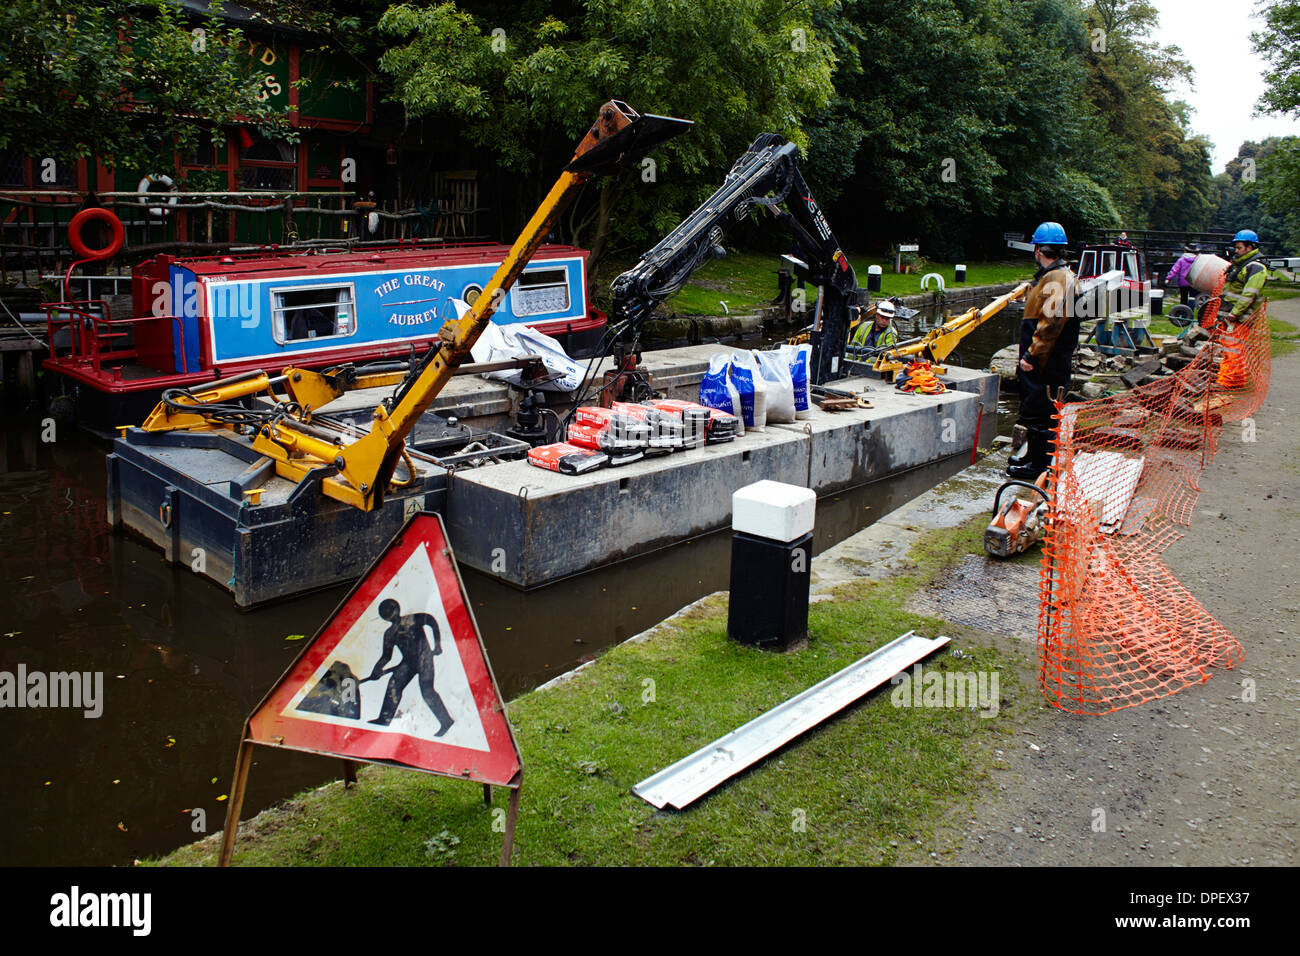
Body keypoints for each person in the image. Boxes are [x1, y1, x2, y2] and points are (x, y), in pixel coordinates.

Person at [1008, 221, 1079, 481]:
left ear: (1039, 250)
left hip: (1046, 362)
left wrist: (1031, 355)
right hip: (1048, 360)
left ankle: (1037, 466)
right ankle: (1032, 457)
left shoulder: (1058, 278)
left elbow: (1051, 323)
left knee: (1041, 411)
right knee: (1033, 408)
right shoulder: (1057, 275)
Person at [363, 598, 455, 735]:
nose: (389, 614)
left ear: (396, 609)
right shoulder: (389, 634)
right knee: (394, 685)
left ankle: (446, 722)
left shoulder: (412, 619)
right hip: (408, 663)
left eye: (390, 610)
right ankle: (385, 718)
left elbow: (430, 620)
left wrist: (437, 644)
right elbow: (386, 656)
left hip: (424, 658)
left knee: (427, 691)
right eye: (385, 613)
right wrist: (377, 670)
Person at [1222, 229, 1269, 323]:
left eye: (1239, 248)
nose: (1236, 251)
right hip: (1232, 314)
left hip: (1241, 319)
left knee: (1232, 338)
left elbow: (1250, 294)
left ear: (1250, 247)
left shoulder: (1256, 267)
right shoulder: (1242, 264)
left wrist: (1235, 313)